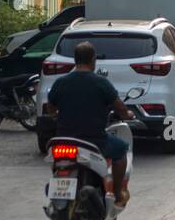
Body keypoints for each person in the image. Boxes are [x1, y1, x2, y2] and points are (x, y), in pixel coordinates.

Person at [44, 41, 135, 206]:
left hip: (63, 139)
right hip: (94, 141)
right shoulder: (101, 83)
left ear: (75, 59)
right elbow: (120, 107)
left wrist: (56, 114)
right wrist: (127, 114)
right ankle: (117, 193)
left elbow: (51, 108)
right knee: (121, 149)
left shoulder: (60, 82)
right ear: (93, 60)